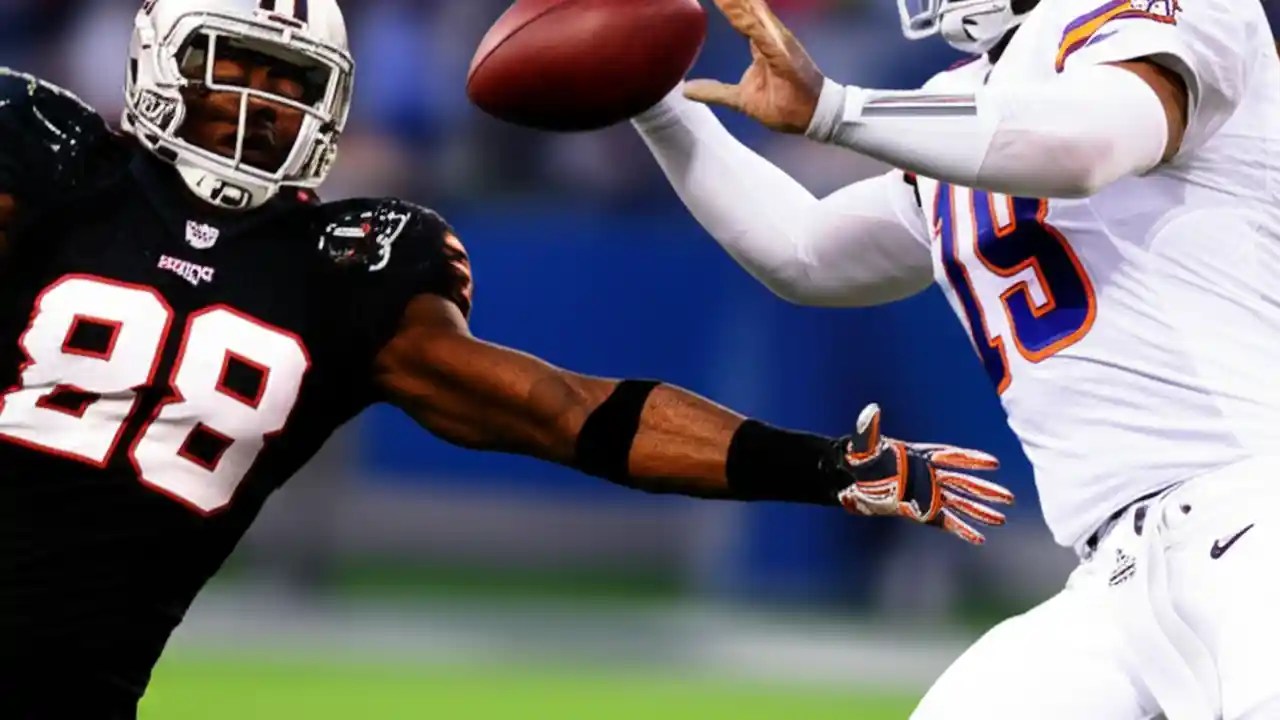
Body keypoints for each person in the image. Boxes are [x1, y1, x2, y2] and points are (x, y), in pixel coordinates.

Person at [0, 0, 1013, 716]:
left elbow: (562, 412)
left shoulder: (345, 268)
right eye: (230, 73)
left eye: (287, 84)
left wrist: (817, 466)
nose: (259, 106)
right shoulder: (46, 163)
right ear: (157, 64)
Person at [632, 0, 1280, 717]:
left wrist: (835, 110)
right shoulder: (966, 104)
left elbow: (1086, 147)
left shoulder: (1173, 12)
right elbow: (805, 251)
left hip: (1258, 510)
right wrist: (656, 101)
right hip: (1117, 577)